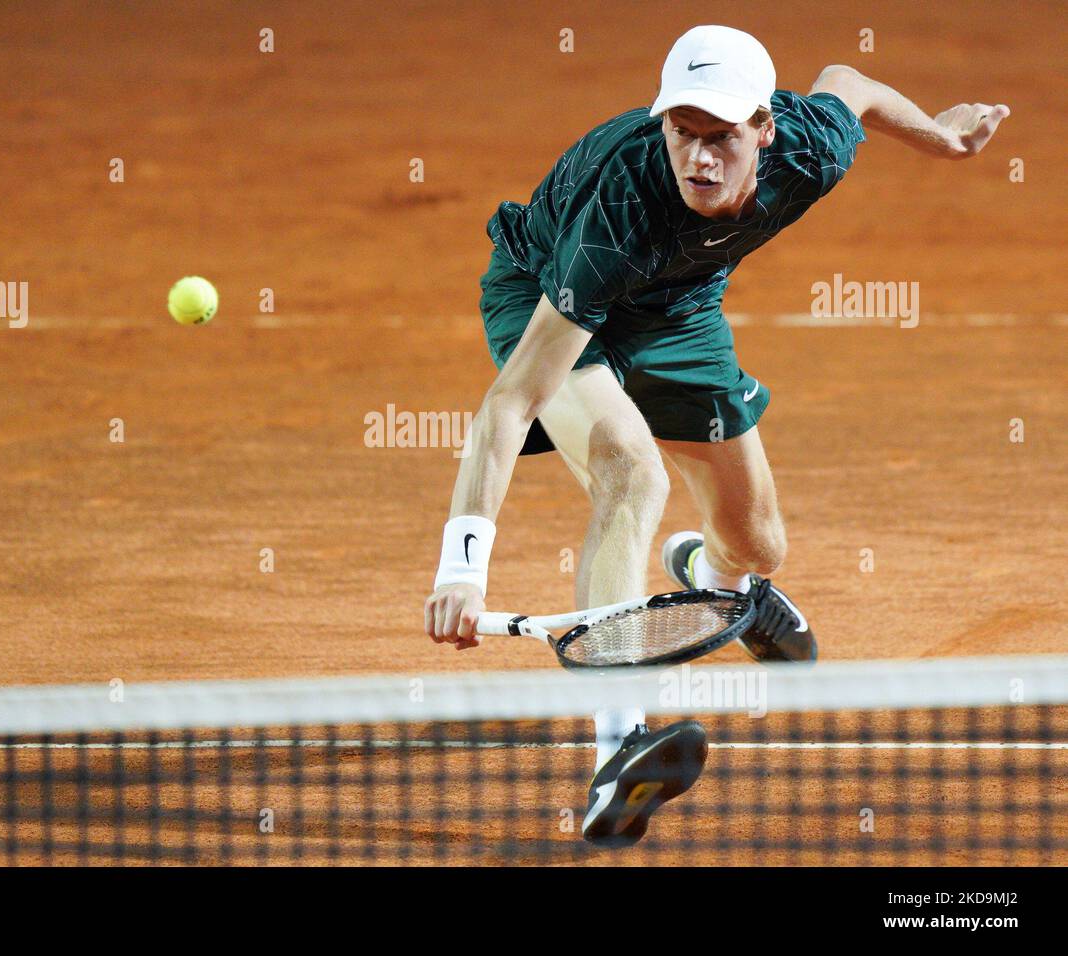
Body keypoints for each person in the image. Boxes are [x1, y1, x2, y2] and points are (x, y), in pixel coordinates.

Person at [423, 24, 1008, 845]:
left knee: (761, 544)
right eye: (682, 133)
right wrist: (462, 568)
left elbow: (851, 82)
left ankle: (715, 578)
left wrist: (942, 140)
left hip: (680, 310)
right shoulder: (617, 216)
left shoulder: (810, 152)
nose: (699, 157)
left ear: (765, 129)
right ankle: (620, 741)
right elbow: (507, 403)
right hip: (550, 299)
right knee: (634, 474)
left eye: (722, 136)